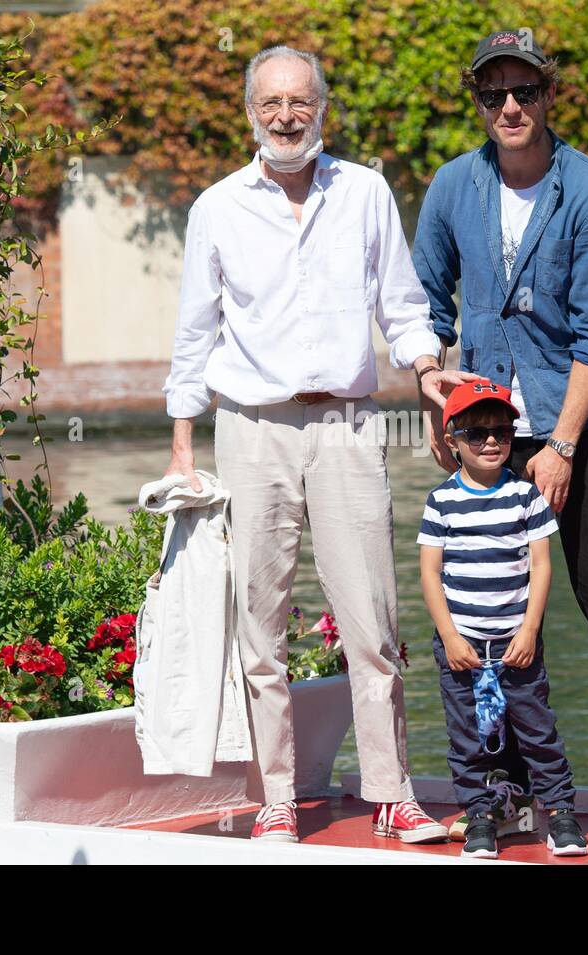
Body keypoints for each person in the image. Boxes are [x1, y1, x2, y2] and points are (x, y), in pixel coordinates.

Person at [163, 45, 475, 844]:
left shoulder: (365, 192)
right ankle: (275, 797)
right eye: (270, 103)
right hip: (251, 429)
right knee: (258, 622)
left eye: (299, 102)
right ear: (249, 112)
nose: (285, 116)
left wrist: (429, 370)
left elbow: (402, 305)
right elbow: (195, 333)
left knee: (370, 614)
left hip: (347, 424)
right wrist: (180, 445)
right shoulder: (217, 208)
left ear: (322, 109)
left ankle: (392, 792)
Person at [413, 30, 588, 846]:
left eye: (525, 91)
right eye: (494, 95)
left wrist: (559, 446)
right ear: (479, 103)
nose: (511, 107)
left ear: (549, 96)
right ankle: (512, 785)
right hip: (488, 434)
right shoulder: (453, 187)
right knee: (489, 609)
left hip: (585, 432)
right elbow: (423, 301)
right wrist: (432, 391)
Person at [419, 381, 588, 859]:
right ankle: (480, 817)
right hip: (463, 651)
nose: (491, 441)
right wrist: (450, 637)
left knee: (539, 732)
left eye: (502, 431)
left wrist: (531, 629)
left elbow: (542, 565)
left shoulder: (525, 496)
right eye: (476, 433)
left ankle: (560, 813)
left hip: (518, 647)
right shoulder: (440, 503)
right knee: (468, 740)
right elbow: (431, 575)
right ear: (453, 440)